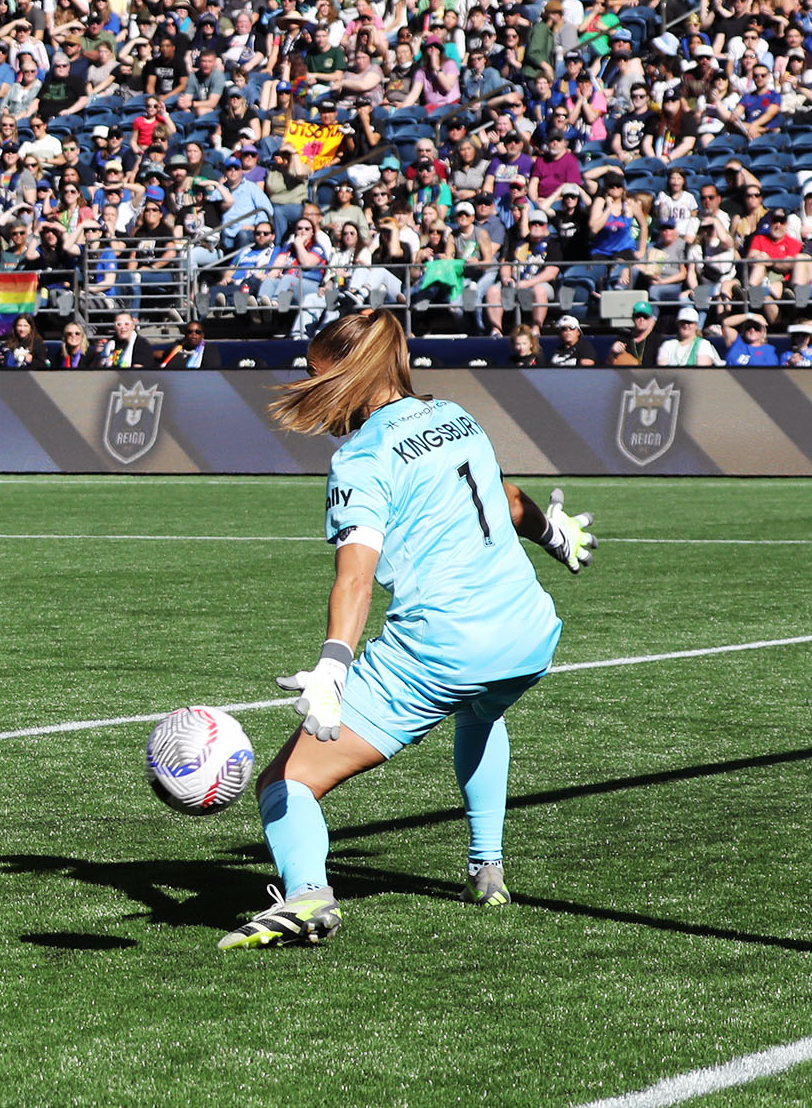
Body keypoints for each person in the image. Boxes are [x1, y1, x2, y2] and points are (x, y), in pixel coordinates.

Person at [221, 313, 593, 951]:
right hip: (530, 632)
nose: (310, 389)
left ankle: (308, 897)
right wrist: (553, 534)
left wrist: (333, 668)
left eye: (316, 374)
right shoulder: (453, 414)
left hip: (446, 647)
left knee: (286, 782)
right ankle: (488, 871)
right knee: (481, 712)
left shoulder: (360, 459)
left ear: (350, 375)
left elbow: (357, 578)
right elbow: (506, 499)